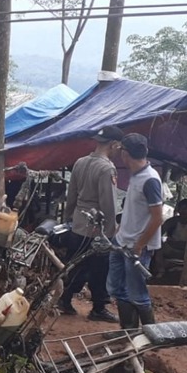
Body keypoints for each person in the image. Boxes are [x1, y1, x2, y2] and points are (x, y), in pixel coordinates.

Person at [58, 125, 123, 322]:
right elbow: (108, 204)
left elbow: (72, 195)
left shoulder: (80, 162)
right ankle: (99, 307)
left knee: (75, 264)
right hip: (96, 227)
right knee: (99, 268)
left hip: (78, 222)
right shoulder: (107, 168)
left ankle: (65, 298)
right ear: (113, 145)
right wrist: (110, 232)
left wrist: (68, 218)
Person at [109, 133, 164, 329]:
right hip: (122, 241)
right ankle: (128, 332)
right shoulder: (137, 175)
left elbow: (158, 217)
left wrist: (139, 245)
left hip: (136, 246)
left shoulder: (150, 180)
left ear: (126, 154)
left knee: (137, 292)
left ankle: (152, 334)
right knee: (117, 288)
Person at [153, 198, 187, 278]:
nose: (184, 211)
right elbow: (159, 234)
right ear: (178, 210)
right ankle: (161, 271)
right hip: (172, 248)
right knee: (158, 247)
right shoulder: (172, 221)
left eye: (186, 209)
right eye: (182, 209)